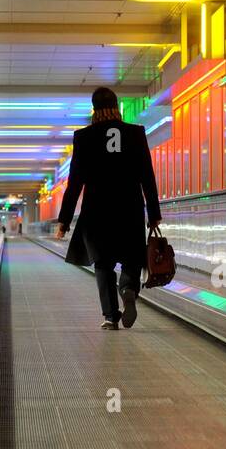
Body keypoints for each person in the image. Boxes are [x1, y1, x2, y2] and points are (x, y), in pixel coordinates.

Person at [55, 87, 161, 329]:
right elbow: (147, 176)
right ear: (117, 107)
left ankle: (111, 317)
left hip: (96, 213)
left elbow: (75, 183)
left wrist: (64, 220)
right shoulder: (135, 133)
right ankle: (128, 289)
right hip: (130, 209)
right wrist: (154, 214)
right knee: (132, 259)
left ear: (94, 109)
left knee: (103, 264)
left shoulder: (83, 137)